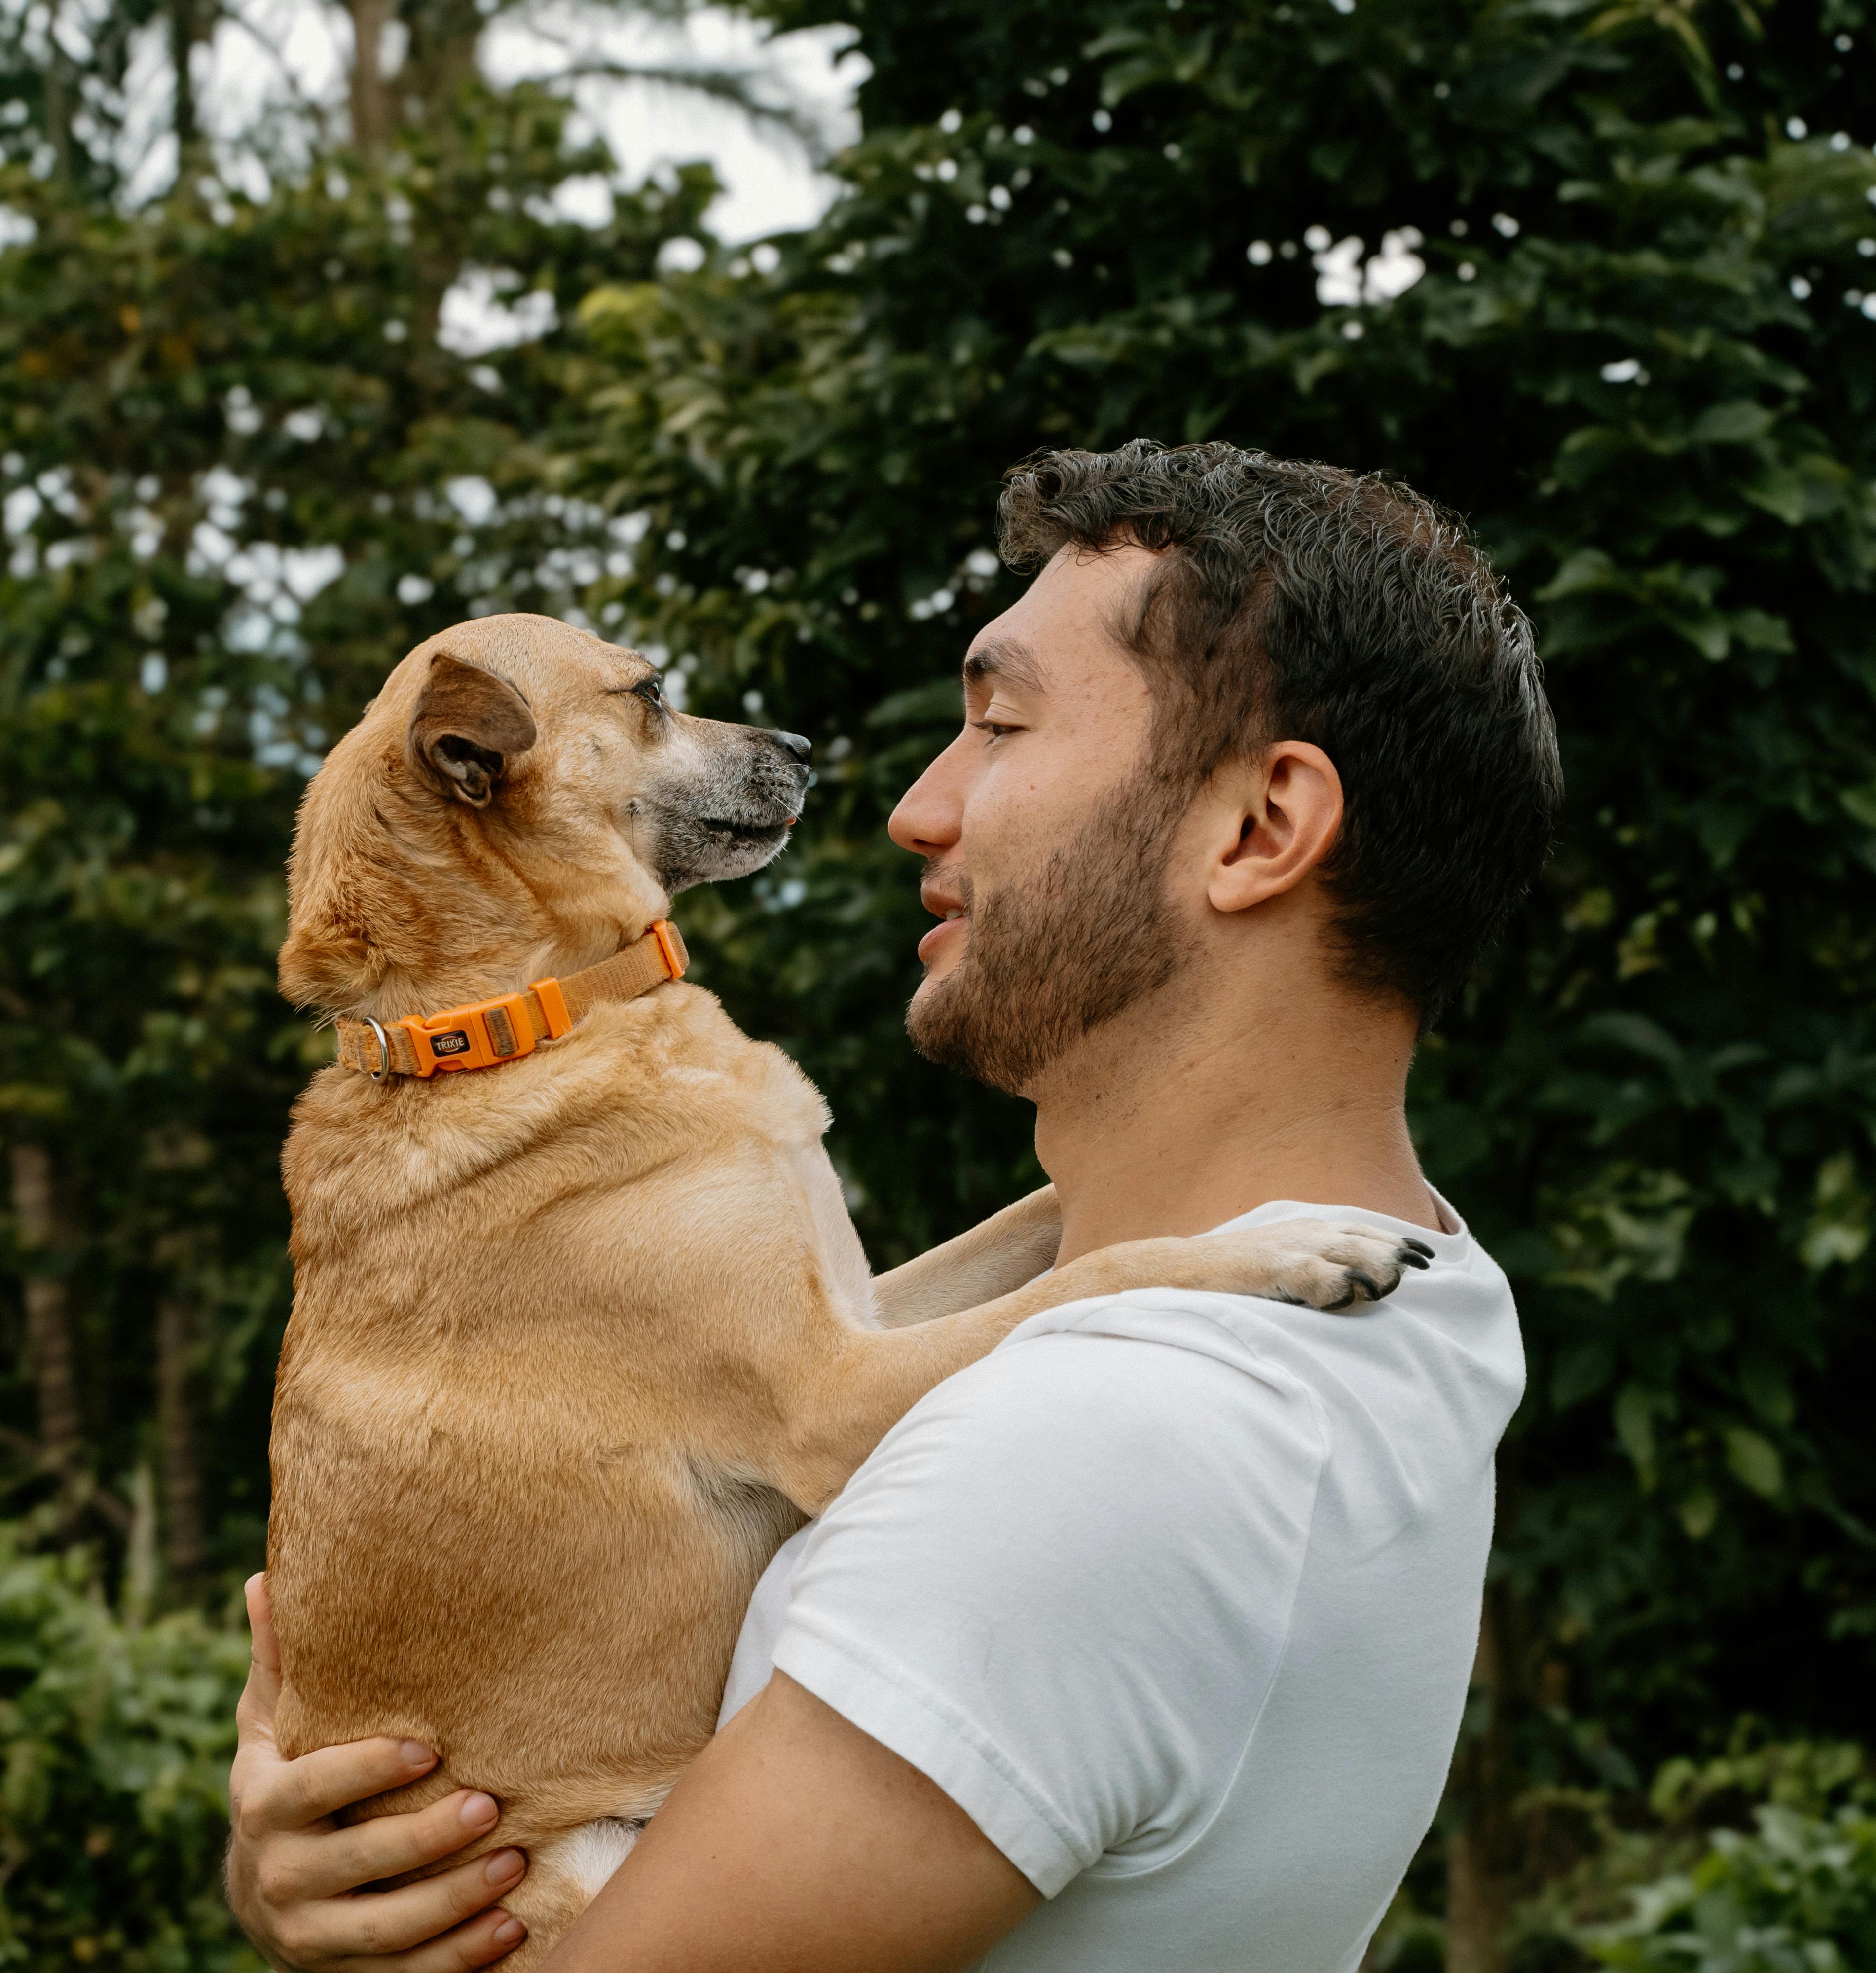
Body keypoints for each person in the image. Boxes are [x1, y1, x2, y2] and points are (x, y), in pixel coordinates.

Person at [221, 439, 1560, 1972]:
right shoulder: (1439, 1296)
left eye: (1000, 726)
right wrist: (325, 1870)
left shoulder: (1094, 1452)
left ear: (1258, 829)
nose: (916, 809)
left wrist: (295, 1927)